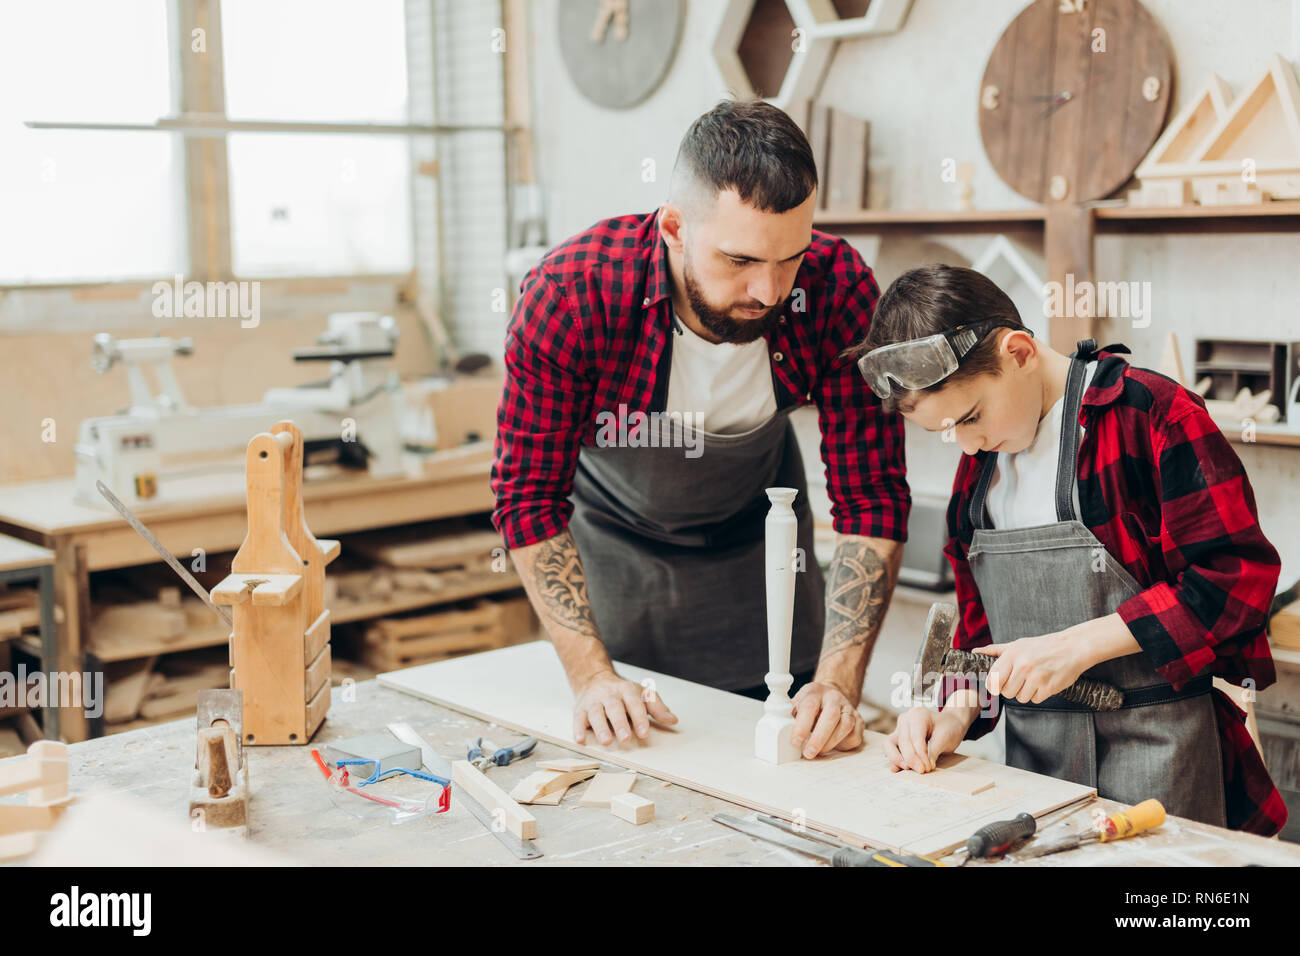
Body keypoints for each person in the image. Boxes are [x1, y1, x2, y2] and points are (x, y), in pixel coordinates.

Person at [491, 99, 910, 756]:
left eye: (789, 258)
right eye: (740, 260)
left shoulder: (833, 288)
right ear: (674, 227)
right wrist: (592, 676)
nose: (770, 292)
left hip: (763, 554)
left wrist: (838, 684)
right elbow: (526, 498)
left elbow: (873, 498)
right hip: (616, 555)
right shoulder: (574, 295)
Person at [860, 264, 1286, 835]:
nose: (967, 444)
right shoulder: (979, 474)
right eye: (945, 431)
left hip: (1164, 757)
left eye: (970, 417)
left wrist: (1080, 645)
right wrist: (954, 708)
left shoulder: (1151, 415)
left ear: (1018, 352)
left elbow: (1234, 582)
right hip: (1036, 772)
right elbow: (978, 629)